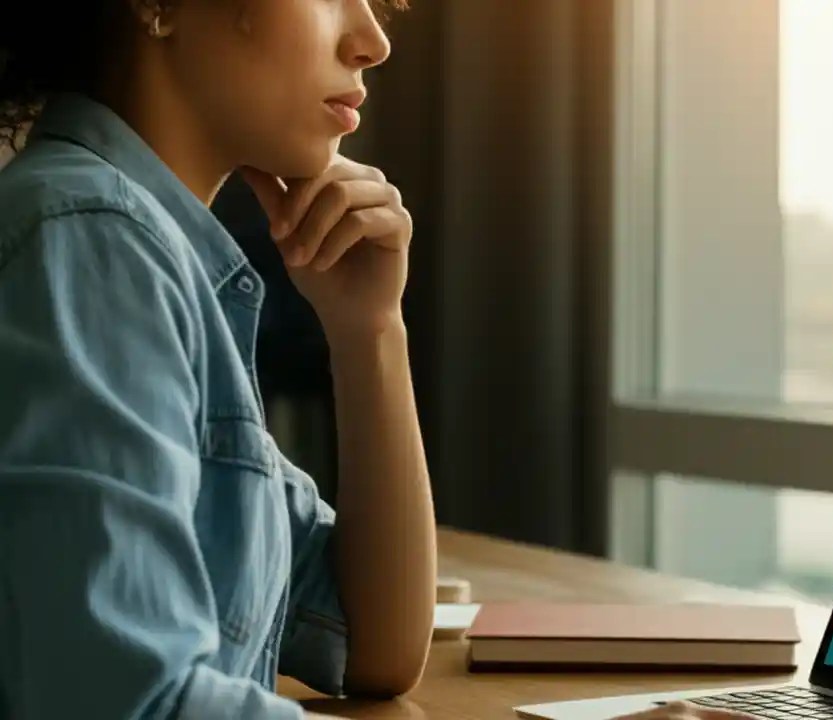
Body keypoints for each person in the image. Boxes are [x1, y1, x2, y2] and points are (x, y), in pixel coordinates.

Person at [0, 2, 762, 719]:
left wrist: (369, 330)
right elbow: (130, 701)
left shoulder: (141, 248)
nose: (373, 39)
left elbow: (371, 642)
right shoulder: (91, 242)